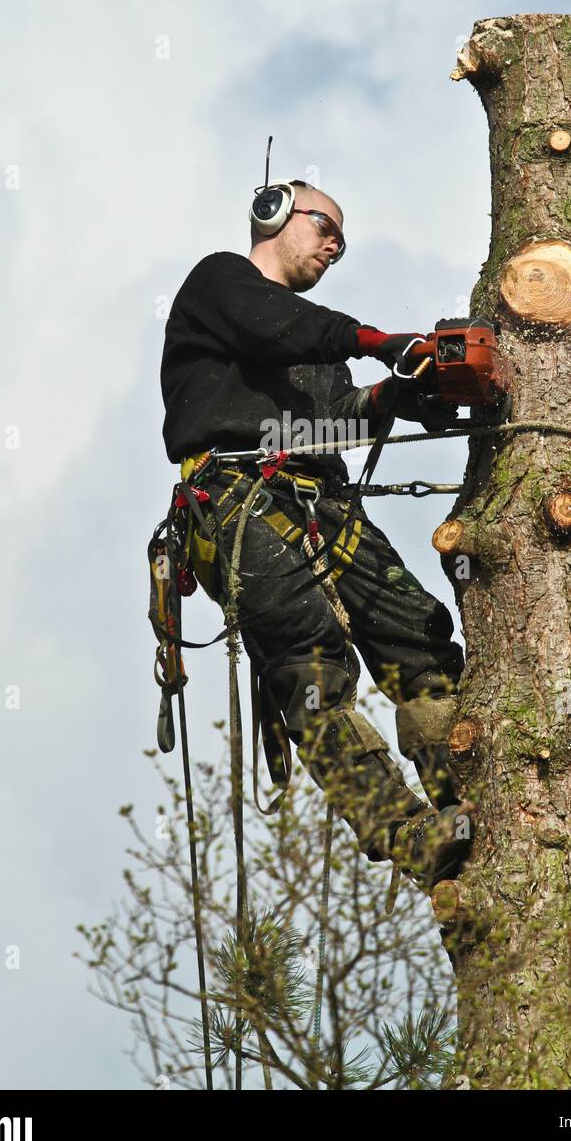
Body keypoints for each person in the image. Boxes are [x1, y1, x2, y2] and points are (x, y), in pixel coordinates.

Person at [160, 176, 471, 891]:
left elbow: (341, 416)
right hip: (240, 502)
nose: (335, 244)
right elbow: (284, 327)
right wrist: (381, 341)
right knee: (311, 672)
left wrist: (410, 391)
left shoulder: (313, 342)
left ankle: (468, 795)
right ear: (273, 214)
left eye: (343, 239)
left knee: (419, 640)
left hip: (325, 504)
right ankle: (404, 832)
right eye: (325, 225)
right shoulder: (221, 287)